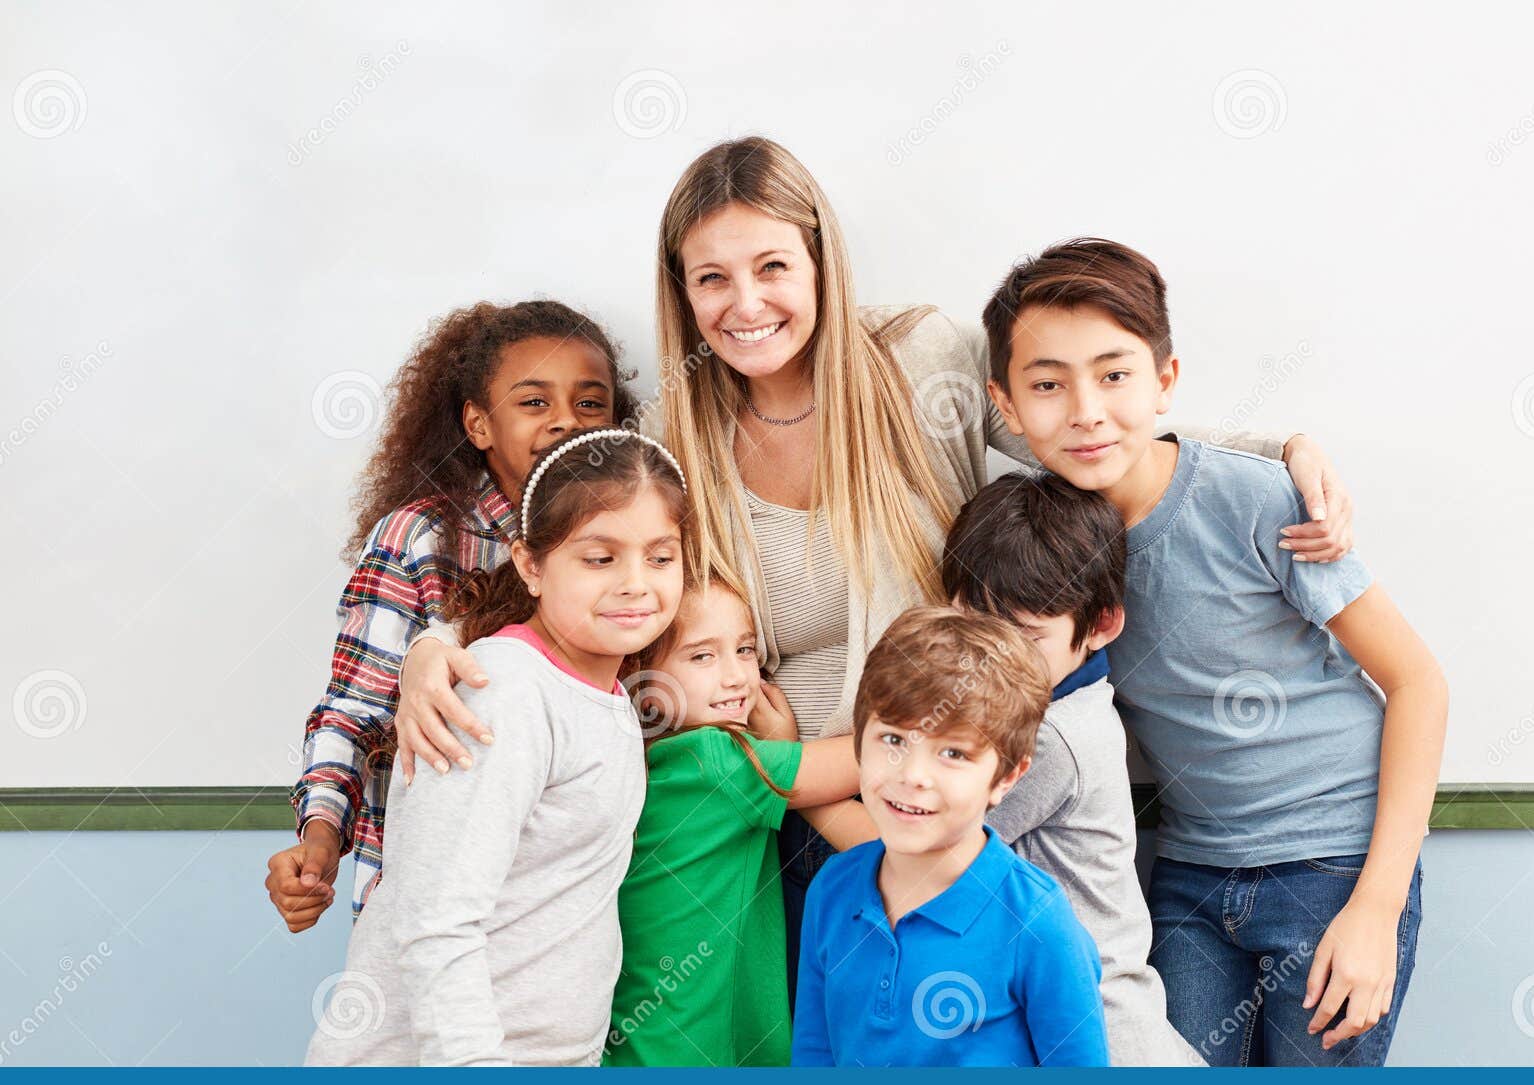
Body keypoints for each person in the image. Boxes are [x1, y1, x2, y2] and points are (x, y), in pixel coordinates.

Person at [391, 138, 1355, 986]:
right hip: (775, 815)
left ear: (820, 260)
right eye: (711, 278)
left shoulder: (924, 357)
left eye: (772, 265)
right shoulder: (671, 434)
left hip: (952, 798)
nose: (746, 303)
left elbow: (1086, 429)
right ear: (680, 292)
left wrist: (1270, 452)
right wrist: (433, 646)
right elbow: (565, 571)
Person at [981, 237, 1447, 1065]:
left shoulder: (1260, 499)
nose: (1085, 409)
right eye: (1048, 384)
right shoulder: (1044, 537)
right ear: (1006, 406)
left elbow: (1417, 681)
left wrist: (1377, 905)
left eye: (1114, 374)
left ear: (1165, 380)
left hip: (1333, 865)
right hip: (1192, 877)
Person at [304, 428, 684, 1065]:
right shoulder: (500, 690)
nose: (636, 583)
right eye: (600, 558)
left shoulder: (608, 696)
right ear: (531, 565)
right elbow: (436, 919)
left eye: (661, 556)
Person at [268, 301, 638, 931]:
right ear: (479, 424)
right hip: (433, 894)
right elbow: (355, 709)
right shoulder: (421, 537)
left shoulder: (636, 538)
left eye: (589, 403)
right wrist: (323, 834)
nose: (566, 423)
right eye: (533, 403)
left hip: (577, 901)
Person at [941, 470, 1205, 1065]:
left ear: (1101, 625)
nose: (993, 657)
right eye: (972, 627)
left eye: (1025, 637)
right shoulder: (1061, 707)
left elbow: (920, 845)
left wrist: (787, 777)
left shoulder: (1055, 737)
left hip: (1103, 1035)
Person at [790, 606, 1108, 1067]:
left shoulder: (1038, 922)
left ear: (1006, 777)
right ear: (859, 741)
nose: (913, 776)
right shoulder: (831, 890)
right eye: (894, 740)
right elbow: (814, 1058)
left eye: (953, 753)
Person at [605, 577, 873, 1067]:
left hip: (647, 1040)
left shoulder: (659, 761)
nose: (736, 677)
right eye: (702, 656)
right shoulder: (714, 760)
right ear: (642, 684)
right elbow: (877, 757)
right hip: (688, 1052)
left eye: (746, 649)